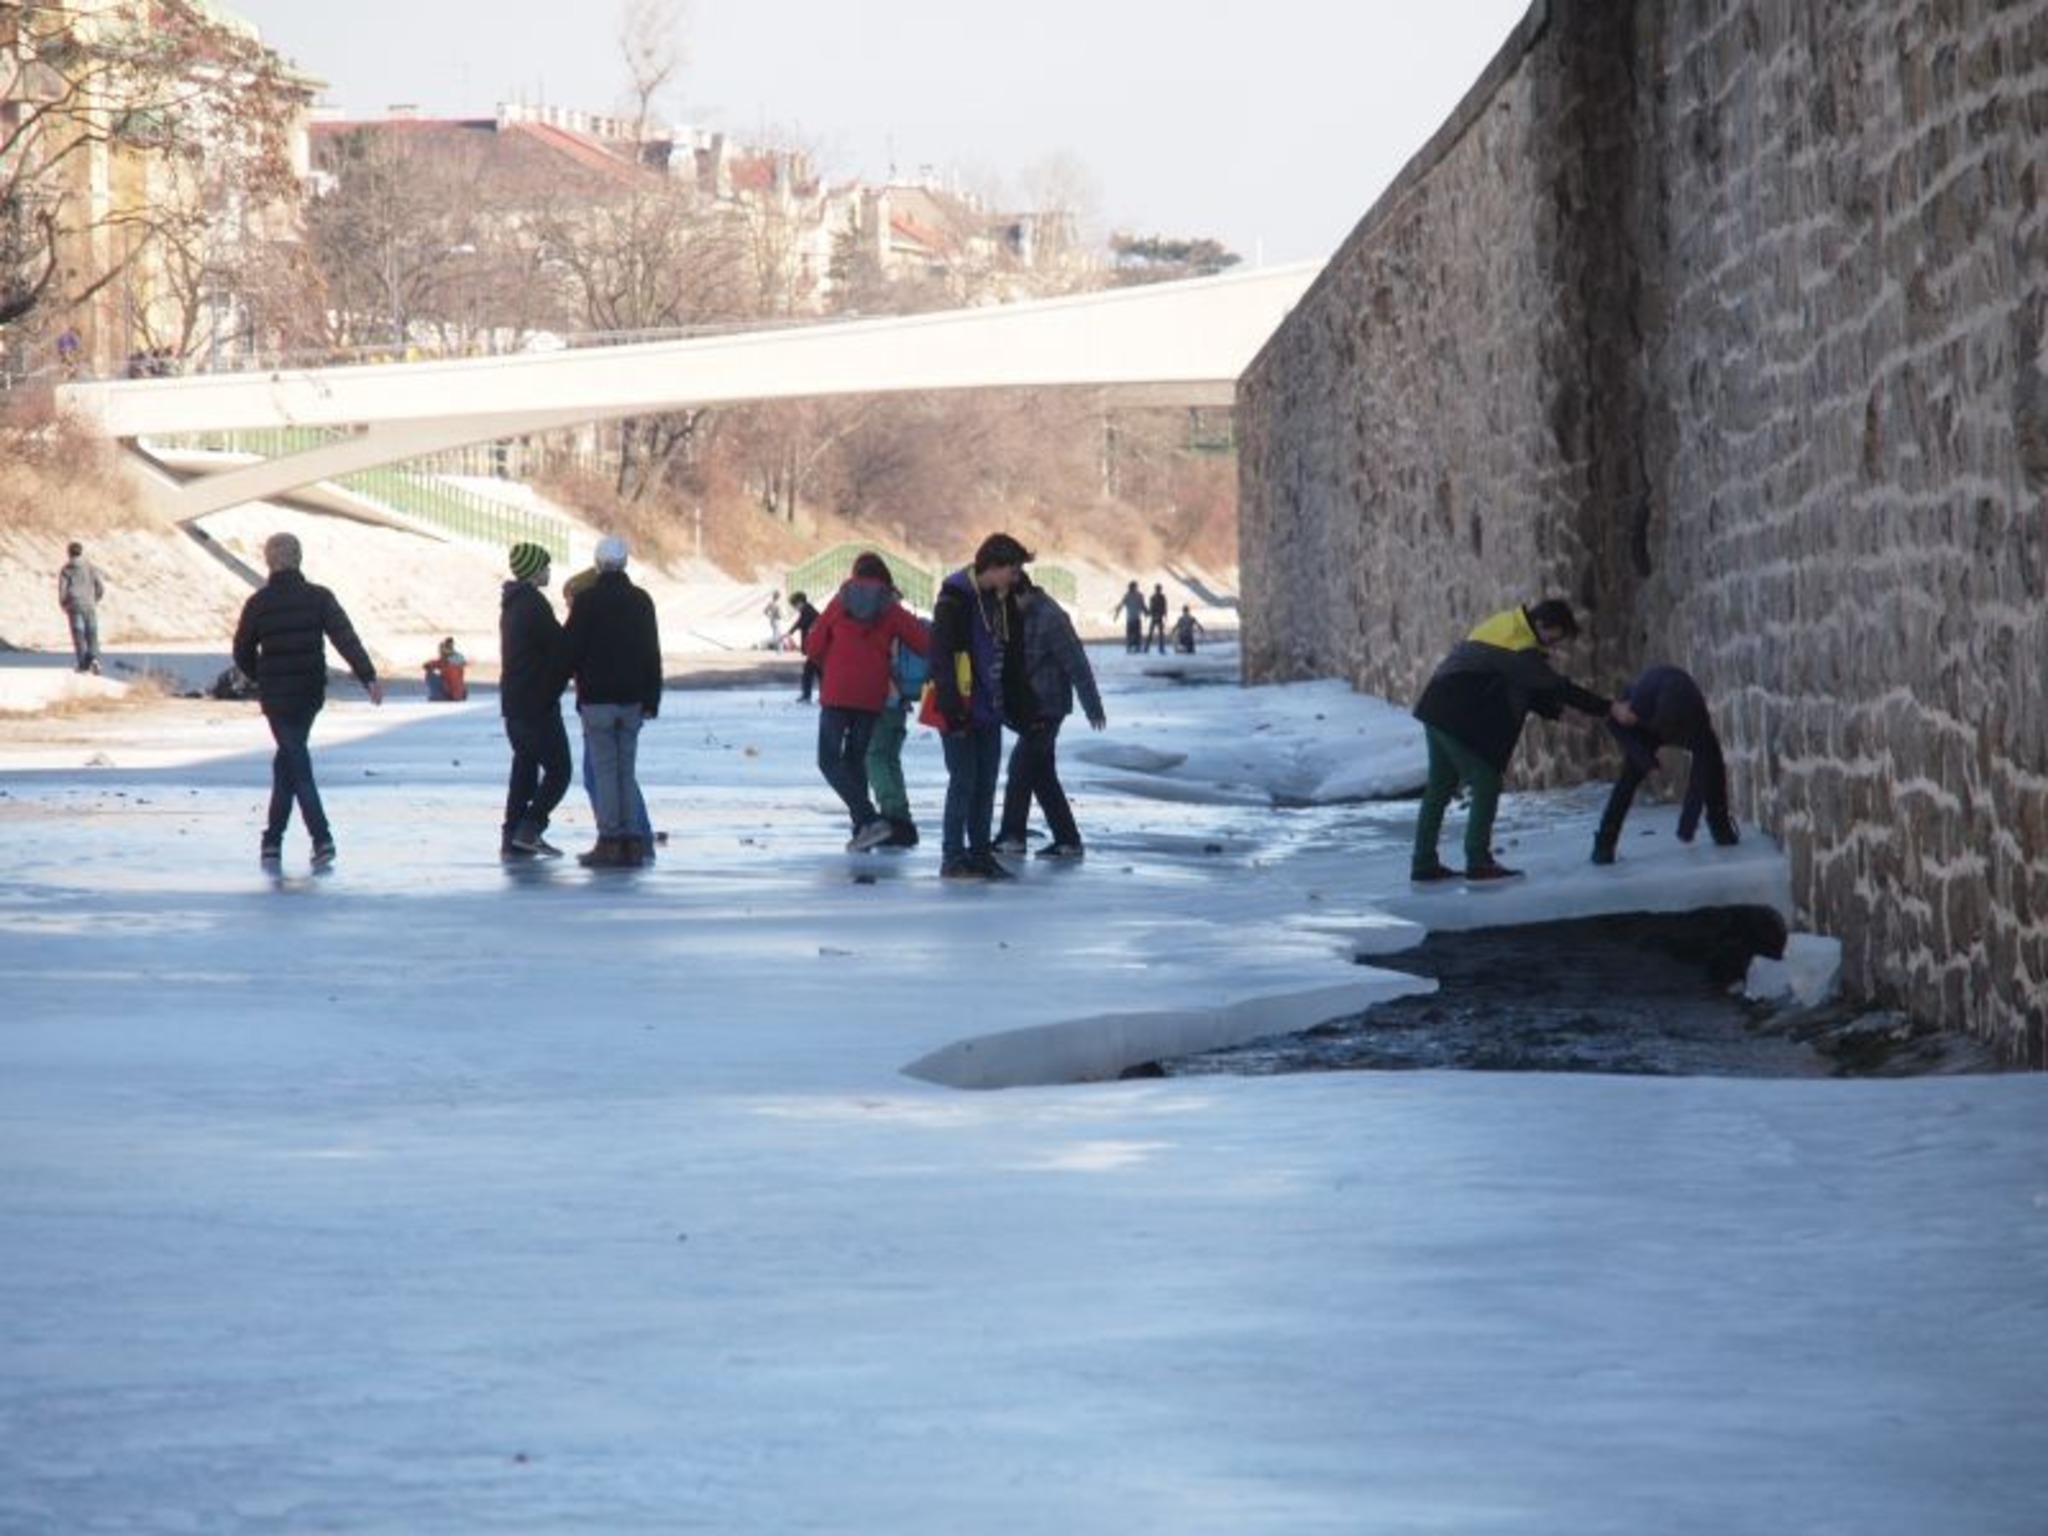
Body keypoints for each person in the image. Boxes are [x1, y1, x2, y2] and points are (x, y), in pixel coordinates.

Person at [1409, 598, 1623, 883]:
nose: (1553, 646)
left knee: (1440, 786)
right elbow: (1555, 685)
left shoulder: (1510, 629)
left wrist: (1560, 713)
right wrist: (1608, 707)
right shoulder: (1519, 646)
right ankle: (1478, 861)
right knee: (1486, 782)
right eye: (1554, 637)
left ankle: (1423, 863)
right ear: (1541, 624)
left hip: (1437, 708)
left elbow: (1523, 685)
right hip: (1454, 716)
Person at [231, 532, 384, 868]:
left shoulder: (259, 603)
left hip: (276, 697)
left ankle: (317, 838)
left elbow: (241, 651)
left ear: (269, 561)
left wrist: (261, 676)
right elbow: (345, 638)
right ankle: (275, 841)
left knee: (294, 761)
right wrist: (368, 676)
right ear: (299, 558)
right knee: (290, 760)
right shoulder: (319, 598)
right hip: (308, 694)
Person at [804, 552, 931, 852]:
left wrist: (832, 663)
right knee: (855, 760)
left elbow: (813, 646)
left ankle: (868, 820)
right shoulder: (890, 607)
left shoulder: (840, 602)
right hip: (872, 694)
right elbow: (924, 644)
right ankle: (863, 829)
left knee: (828, 760)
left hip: (837, 691)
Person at [554, 536, 662, 869]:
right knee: (626, 772)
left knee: (604, 772)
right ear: (625, 563)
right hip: (632, 702)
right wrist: (651, 698)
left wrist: (554, 685)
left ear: (598, 564)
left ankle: (610, 841)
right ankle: (633, 841)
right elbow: (651, 652)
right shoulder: (642, 600)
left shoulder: (588, 602)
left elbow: (570, 651)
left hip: (597, 701)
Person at [930, 533, 1031, 880]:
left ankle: (980, 854)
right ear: (995, 566)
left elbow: (1009, 655)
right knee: (963, 782)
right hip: (959, 703)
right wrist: (951, 708)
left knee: (985, 784)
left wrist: (1018, 705)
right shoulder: (954, 597)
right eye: (1013, 571)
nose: (1016, 579)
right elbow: (940, 655)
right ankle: (952, 857)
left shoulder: (999, 600)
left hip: (990, 706)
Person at [995, 572, 1107, 859]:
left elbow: (1076, 663)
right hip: (1030, 706)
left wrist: (1092, 706)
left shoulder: (1051, 617)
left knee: (1021, 769)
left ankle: (1013, 836)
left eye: (1009, 600)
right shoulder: (1018, 614)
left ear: (1023, 592)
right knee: (1041, 775)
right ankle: (1067, 840)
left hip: (1048, 706)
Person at [1592, 664, 1739, 864]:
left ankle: (1720, 825)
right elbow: (1615, 724)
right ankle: (1604, 843)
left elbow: (1701, 772)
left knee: (1712, 762)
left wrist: (1687, 824)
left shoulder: (1697, 720)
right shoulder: (1637, 706)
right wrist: (1645, 759)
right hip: (1648, 713)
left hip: (1679, 710)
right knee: (1630, 776)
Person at [499, 542, 572, 859]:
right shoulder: (533, 604)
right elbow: (560, 645)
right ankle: (530, 828)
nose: (549, 571)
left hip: (515, 700)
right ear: (533, 571)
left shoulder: (512, 603)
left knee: (525, 769)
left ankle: (512, 837)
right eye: (545, 566)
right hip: (535, 701)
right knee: (560, 770)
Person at [866, 607, 931, 848]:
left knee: (875, 757)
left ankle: (892, 815)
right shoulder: (903, 619)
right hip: (900, 697)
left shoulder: (877, 620)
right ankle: (901, 814)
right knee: (891, 758)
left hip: (883, 696)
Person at [56, 541, 106, 674]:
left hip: (74, 605)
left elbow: (62, 590)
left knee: (78, 634)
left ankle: (83, 664)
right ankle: (94, 659)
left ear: (69, 553)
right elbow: (100, 587)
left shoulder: (66, 569)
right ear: (81, 552)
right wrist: (94, 600)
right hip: (89, 604)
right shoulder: (90, 567)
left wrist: (63, 604)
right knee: (92, 633)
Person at [790, 591, 822, 702]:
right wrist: (791, 631)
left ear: (800, 602)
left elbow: (802, 623)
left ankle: (807, 696)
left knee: (809, 672)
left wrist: (791, 631)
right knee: (818, 672)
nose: (795, 608)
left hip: (815, 647)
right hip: (814, 647)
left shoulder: (809, 611)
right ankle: (821, 695)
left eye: (795, 605)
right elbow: (800, 622)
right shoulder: (807, 610)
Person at [423, 636, 468, 701]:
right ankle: (439, 695)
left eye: (441, 650)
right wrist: (429, 665)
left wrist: (455, 696)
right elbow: (436, 663)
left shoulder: (451, 662)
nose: (440, 652)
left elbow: (454, 682)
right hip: (457, 693)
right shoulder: (449, 659)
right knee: (430, 674)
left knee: (430, 676)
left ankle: (438, 696)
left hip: (452, 694)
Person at [1113, 581, 1145, 653]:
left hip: (1135, 617)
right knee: (1132, 633)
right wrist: (1116, 615)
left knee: (1136, 633)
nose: (1131, 588)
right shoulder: (1128, 596)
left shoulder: (1138, 595)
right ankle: (1131, 647)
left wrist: (1146, 613)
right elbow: (1121, 605)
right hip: (1131, 618)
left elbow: (1142, 605)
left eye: (1132, 587)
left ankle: (1136, 647)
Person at [1144, 583, 1169, 653]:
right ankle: (1160, 648)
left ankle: (1147, 648)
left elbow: (1152, 607)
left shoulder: (1154, 597)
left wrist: (1149, 614)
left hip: (1155, 616)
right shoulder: (1161, 597)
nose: (1159, 590)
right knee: (1159, 634)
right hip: (1158, 616)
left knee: (1152, 633)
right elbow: (1164, 607)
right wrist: (1165, 614)